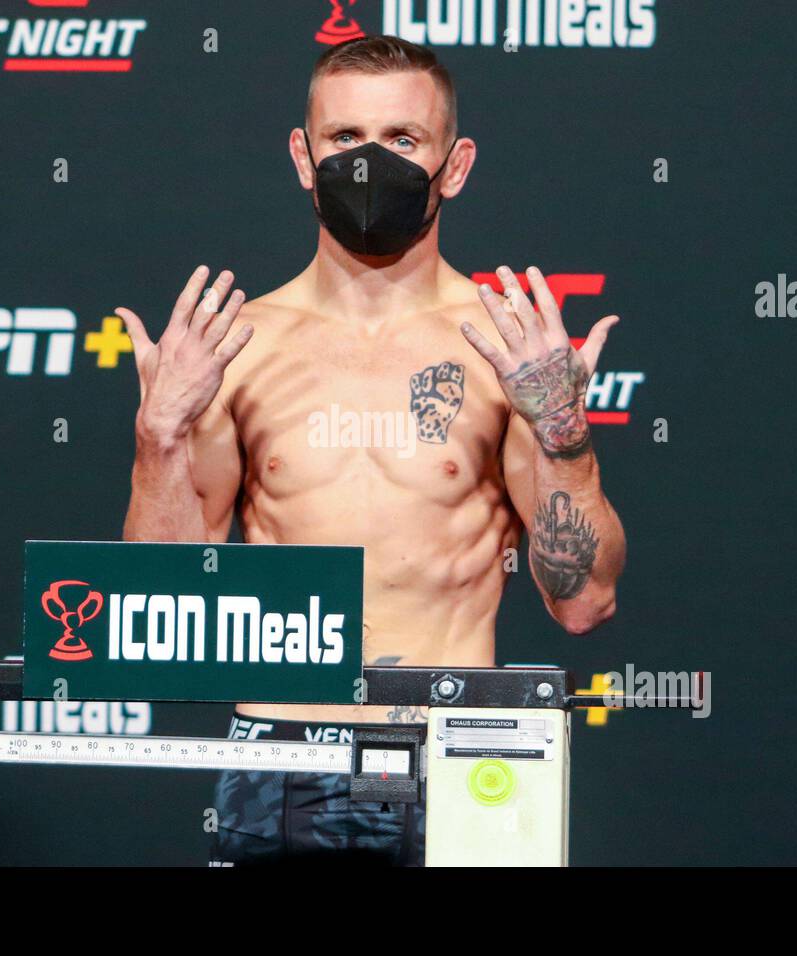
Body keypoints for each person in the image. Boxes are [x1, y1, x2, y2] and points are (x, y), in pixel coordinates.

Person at [118, 35, 624, 866]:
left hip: (462, 747)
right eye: (345, 139)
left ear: (452, 166)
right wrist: (159, 438)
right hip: (283, 755)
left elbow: (584, 603)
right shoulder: (237, 346)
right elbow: (168, 610)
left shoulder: (504, 352)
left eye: (401, 141)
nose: (368, 164)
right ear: (302, 155)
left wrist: (563, 429)